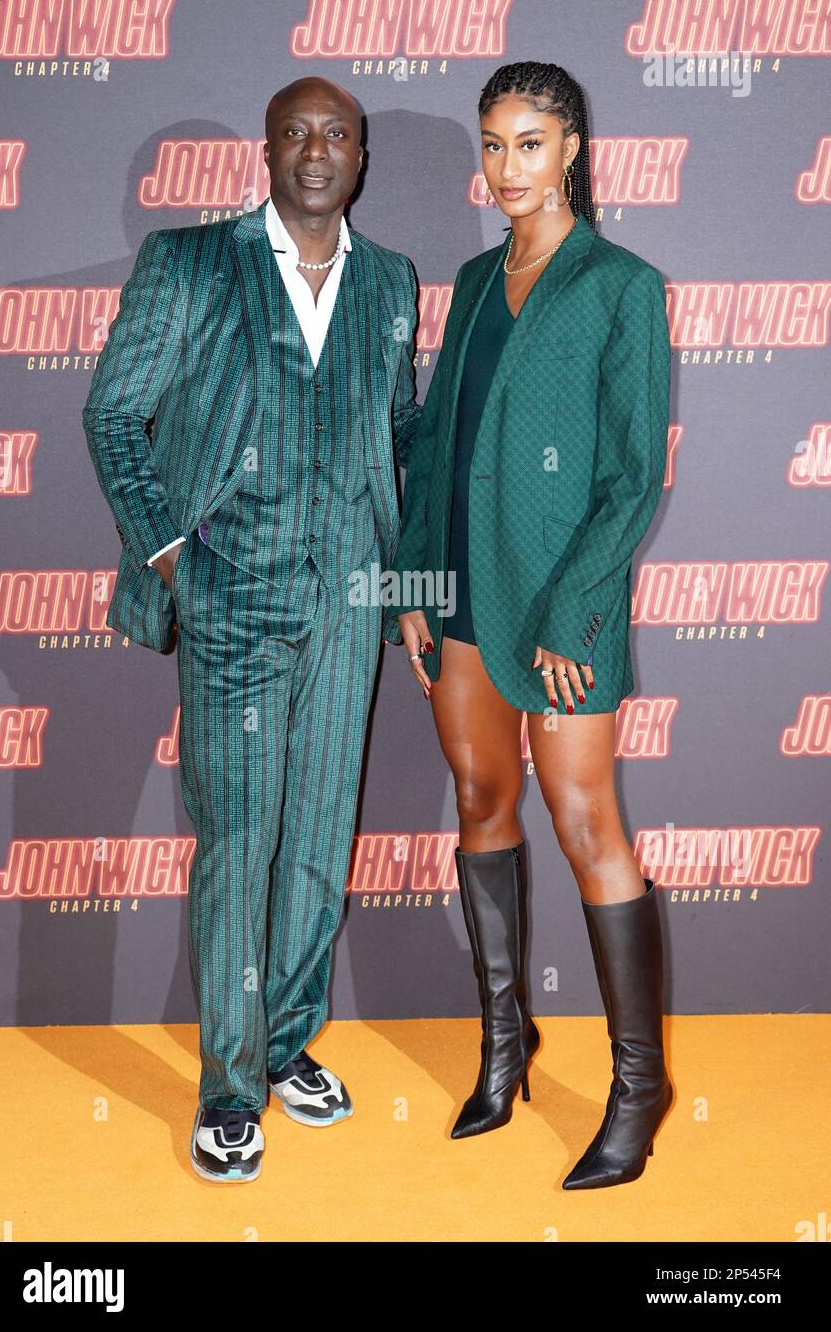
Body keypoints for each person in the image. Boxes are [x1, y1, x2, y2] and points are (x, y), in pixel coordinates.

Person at [82, 76, 420, 1182]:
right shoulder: (188, 263)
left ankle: (283, 1043)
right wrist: (167, 551)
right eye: (296, 134)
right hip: (229, 596)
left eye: (337, 135)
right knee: (240, 843)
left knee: (321, 841)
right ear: (268, 154)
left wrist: (410, 580)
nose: (317, 151)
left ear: (360, 158)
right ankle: (229, 1091)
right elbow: (112, 412)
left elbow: (392, 433)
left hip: (349, 600)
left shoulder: (391, 281)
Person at [383, 61, 674, 1189]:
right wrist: (411, 581)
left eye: (531, 144)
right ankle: (507, 1045)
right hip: (459, 585)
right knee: (478, 799)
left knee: (586, 819)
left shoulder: (621, 285)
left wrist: (572, 610)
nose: (508, 169)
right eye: (494, 145)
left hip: (568, 605)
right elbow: (441, 446)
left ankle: (640, 1082)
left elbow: (634, 473)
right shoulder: (468, 276)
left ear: (574, 149)